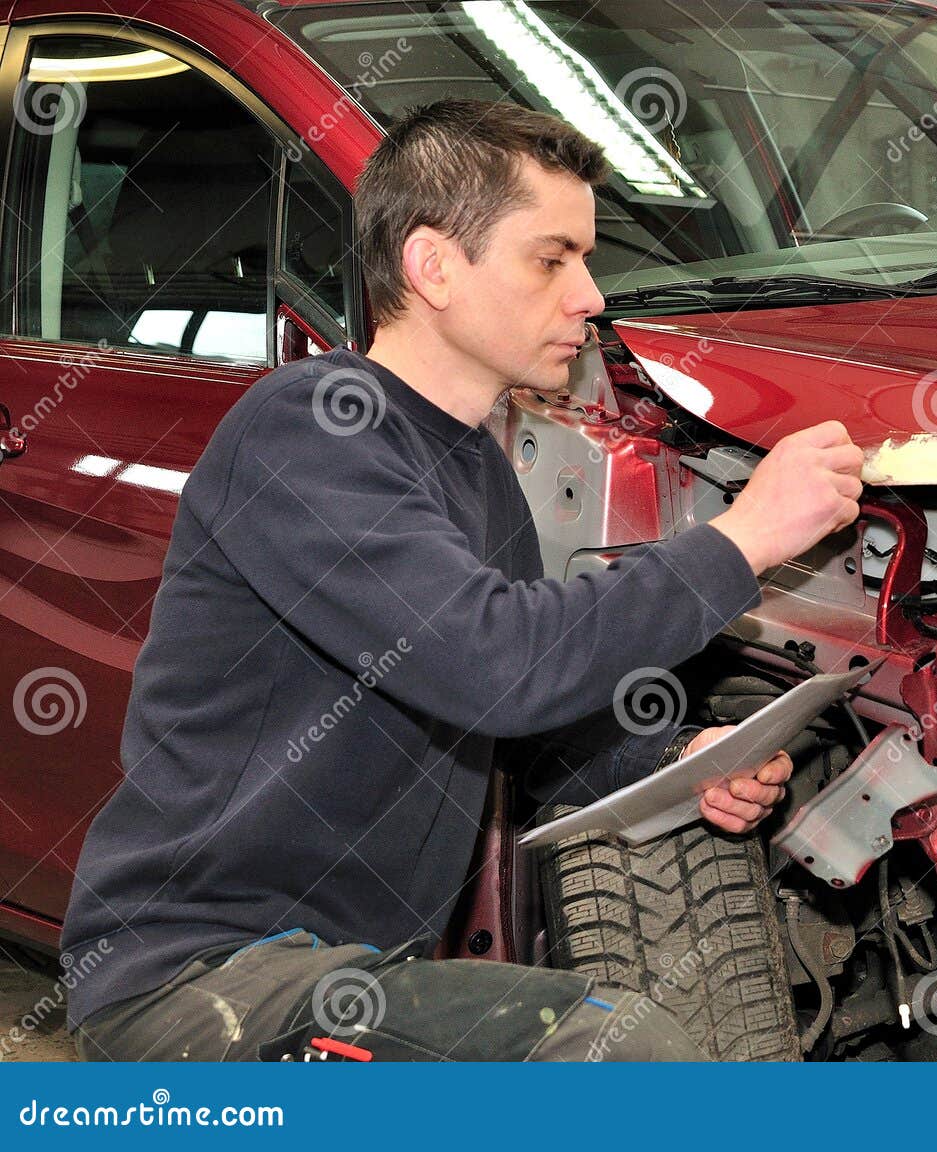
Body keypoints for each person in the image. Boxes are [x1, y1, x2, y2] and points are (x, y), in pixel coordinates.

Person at [61, 99, 864, 1061]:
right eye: (551, 259)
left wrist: (680, 760)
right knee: (620, 1058)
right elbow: (497, 666)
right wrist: (742, 540)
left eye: (586, 259)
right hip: (202, 982)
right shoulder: (310, 428)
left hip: (350, 973)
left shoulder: (481, 478)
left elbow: (523, 731)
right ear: (433, 266)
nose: (590, 296)